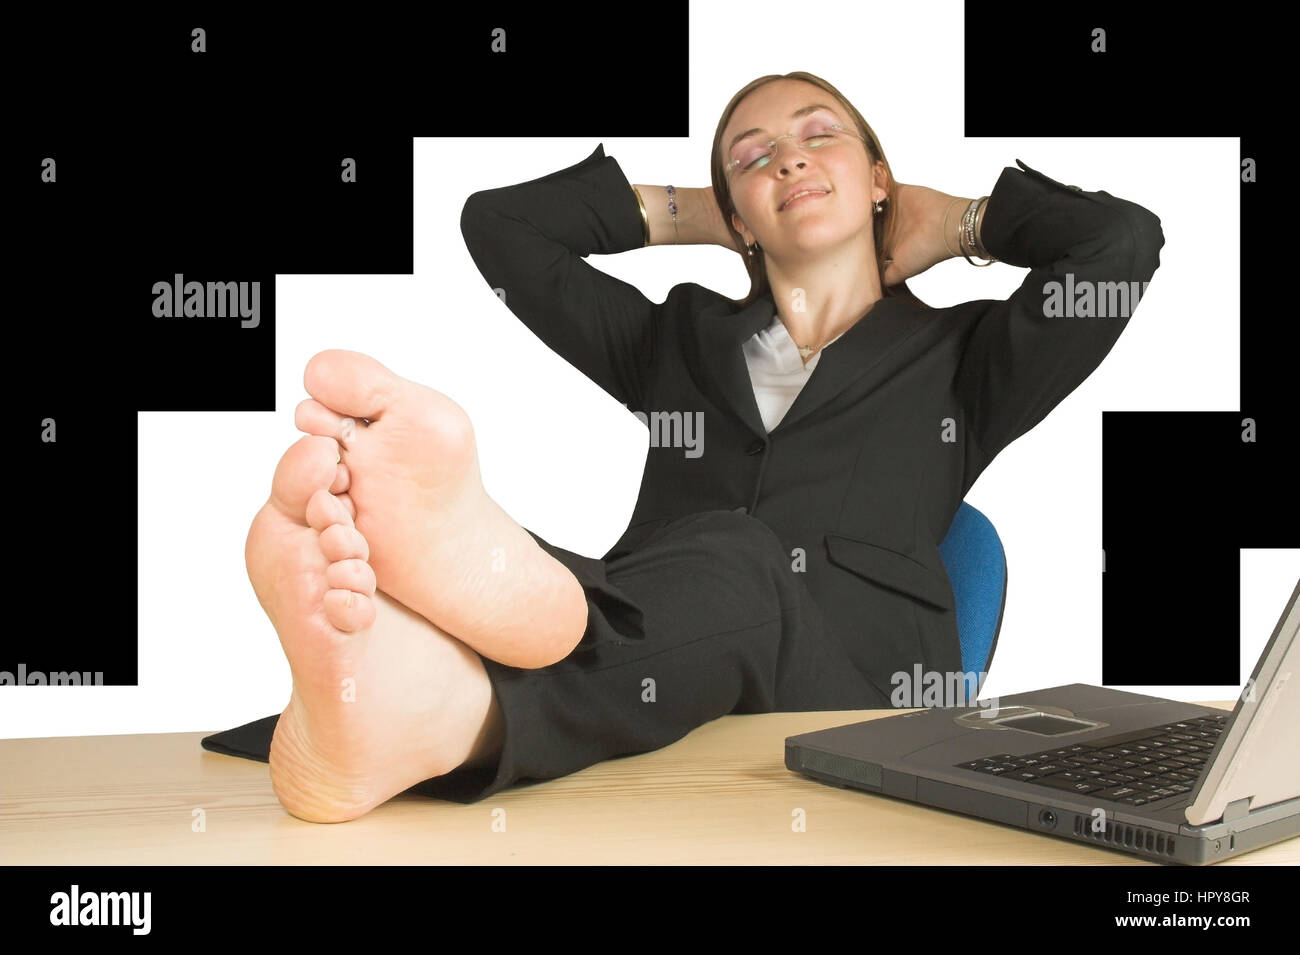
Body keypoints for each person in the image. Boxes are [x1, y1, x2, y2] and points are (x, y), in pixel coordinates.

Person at [203, 72, 1164, 823]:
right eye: (756, 156)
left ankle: (468, 681)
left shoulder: (966, 362)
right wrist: (703, 212)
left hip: (852, 711)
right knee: (619, 570)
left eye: (820, 136)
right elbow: (498, 228)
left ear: (881, 180)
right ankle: (426, 689)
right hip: (663, 656)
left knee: (736, 559)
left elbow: (1122, 245)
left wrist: (961, 222)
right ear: (736, 215)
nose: (791, 158)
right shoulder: (679, 339)